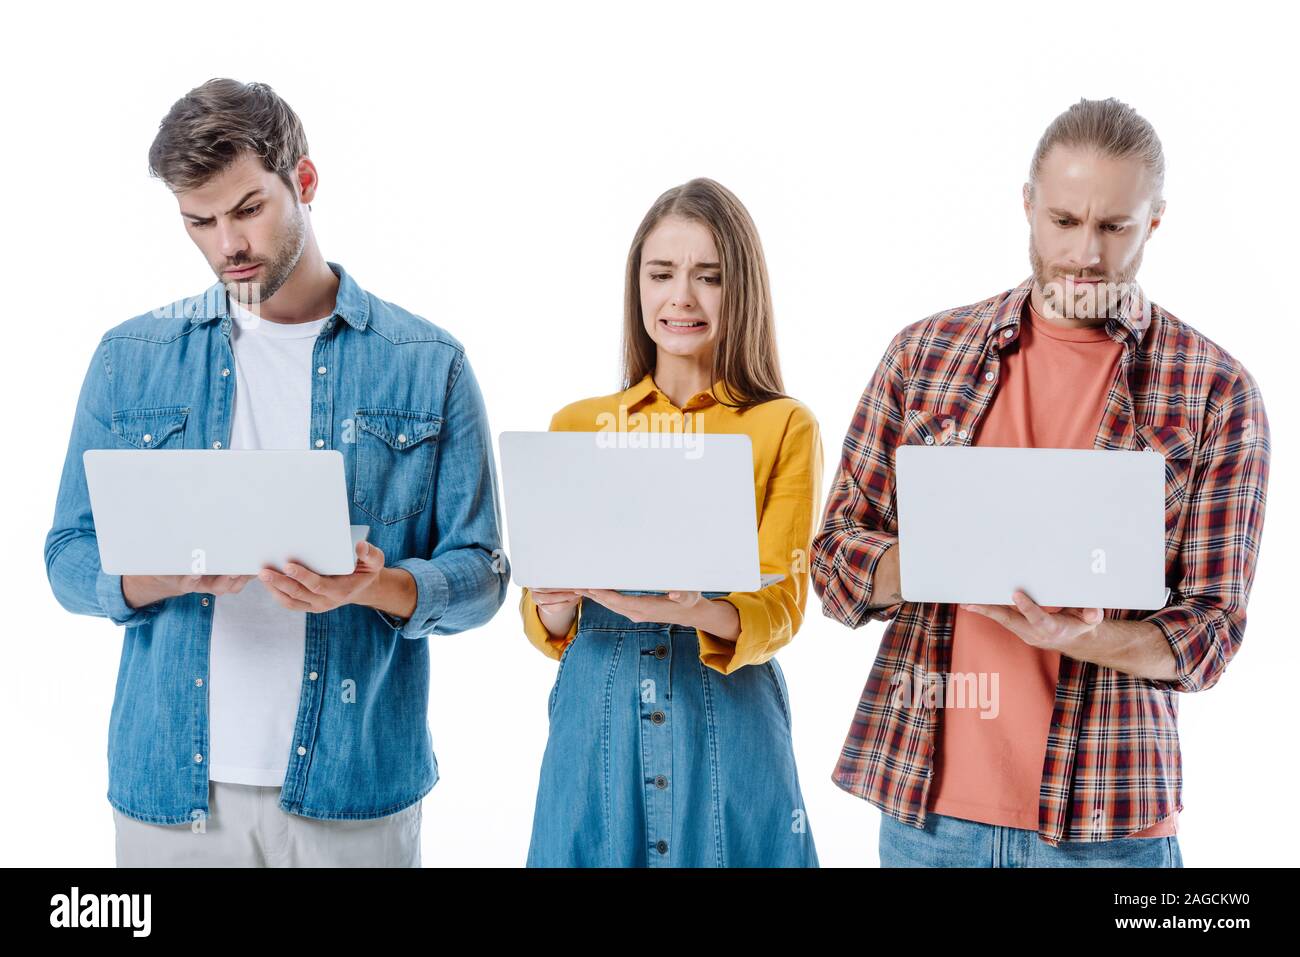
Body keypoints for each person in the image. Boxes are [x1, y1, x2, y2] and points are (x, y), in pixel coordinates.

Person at [43, 78, 510, 866]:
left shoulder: (428, 364)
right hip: (173, 796)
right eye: (200, 221)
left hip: (355, 791)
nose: (228, 244)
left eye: (248, 209)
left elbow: (484, 575)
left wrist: (376, 584)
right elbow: (66, 553)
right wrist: (150, 576)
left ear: (305, 181)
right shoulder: (131, 360)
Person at [811, 97, 1270, 867]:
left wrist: (1087, 638)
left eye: (1113, 227)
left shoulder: (1215, 390)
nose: (1085, 253)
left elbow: (1213, 629)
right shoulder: (924, 355)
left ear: (1154, 221)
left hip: (1108, 826)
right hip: (931, 819)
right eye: (1063, 221)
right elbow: (831, 563)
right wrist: (935, 556)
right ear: (1027, 205)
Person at [520, 178, 822, 867]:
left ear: (740, 289)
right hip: (596, 709)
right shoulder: (577, 424)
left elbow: (781, 605)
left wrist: (700, 608)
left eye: (708, 277)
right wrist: (555, 606)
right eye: (661, 274)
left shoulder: (784, 426)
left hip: (727, 708)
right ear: (638, 287)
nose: (681, 297)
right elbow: (544, 625)